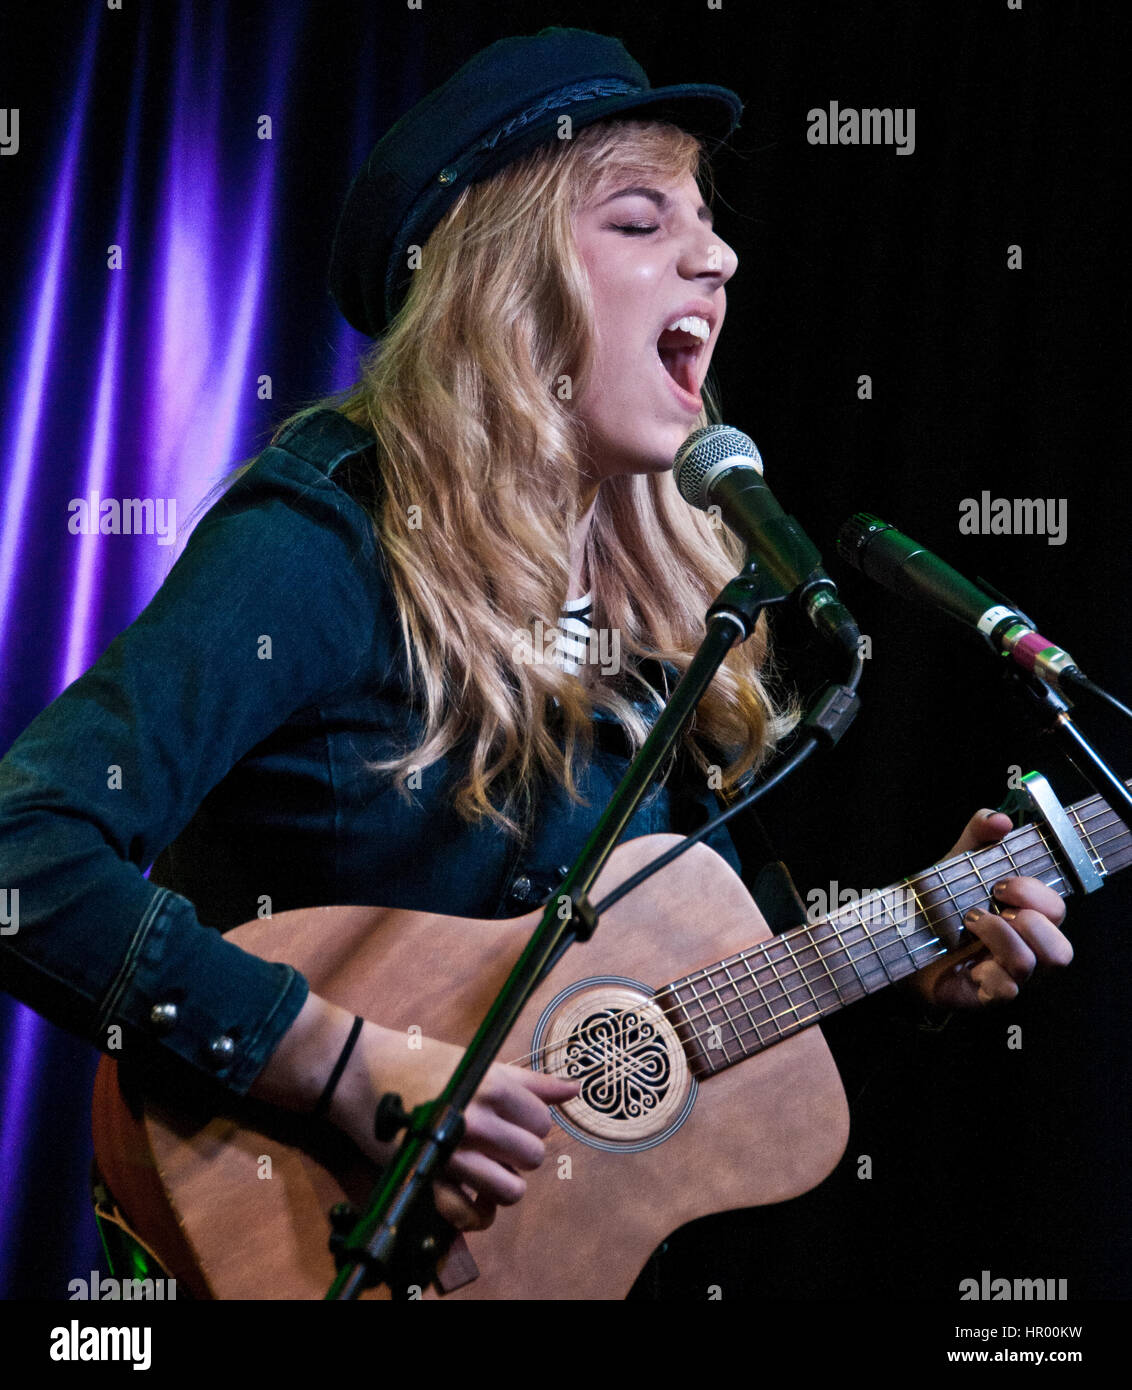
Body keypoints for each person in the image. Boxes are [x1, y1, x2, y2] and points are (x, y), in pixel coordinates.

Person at [0, 28, 1071, 1288]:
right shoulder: (329, 539)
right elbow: (29, 853)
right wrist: (344, 1064)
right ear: (502, 284)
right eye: (639, 219)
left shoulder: (668, 611)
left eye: (707, 222)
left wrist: (905, 956)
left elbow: (670, 1019)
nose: (717, 255)